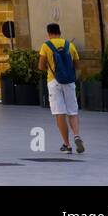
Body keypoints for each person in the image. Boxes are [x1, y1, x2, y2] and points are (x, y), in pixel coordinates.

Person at [38, 23, 85, 154]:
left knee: (60, 113)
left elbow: (40, 66)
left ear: (49, 33)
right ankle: (76, 135)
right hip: (69, 82)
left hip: (54, 82)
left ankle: (67, 144)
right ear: (60, 31)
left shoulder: (46, 46)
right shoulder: (69, 45)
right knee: (72, 111)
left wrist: (50, 65)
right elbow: (77, 65)